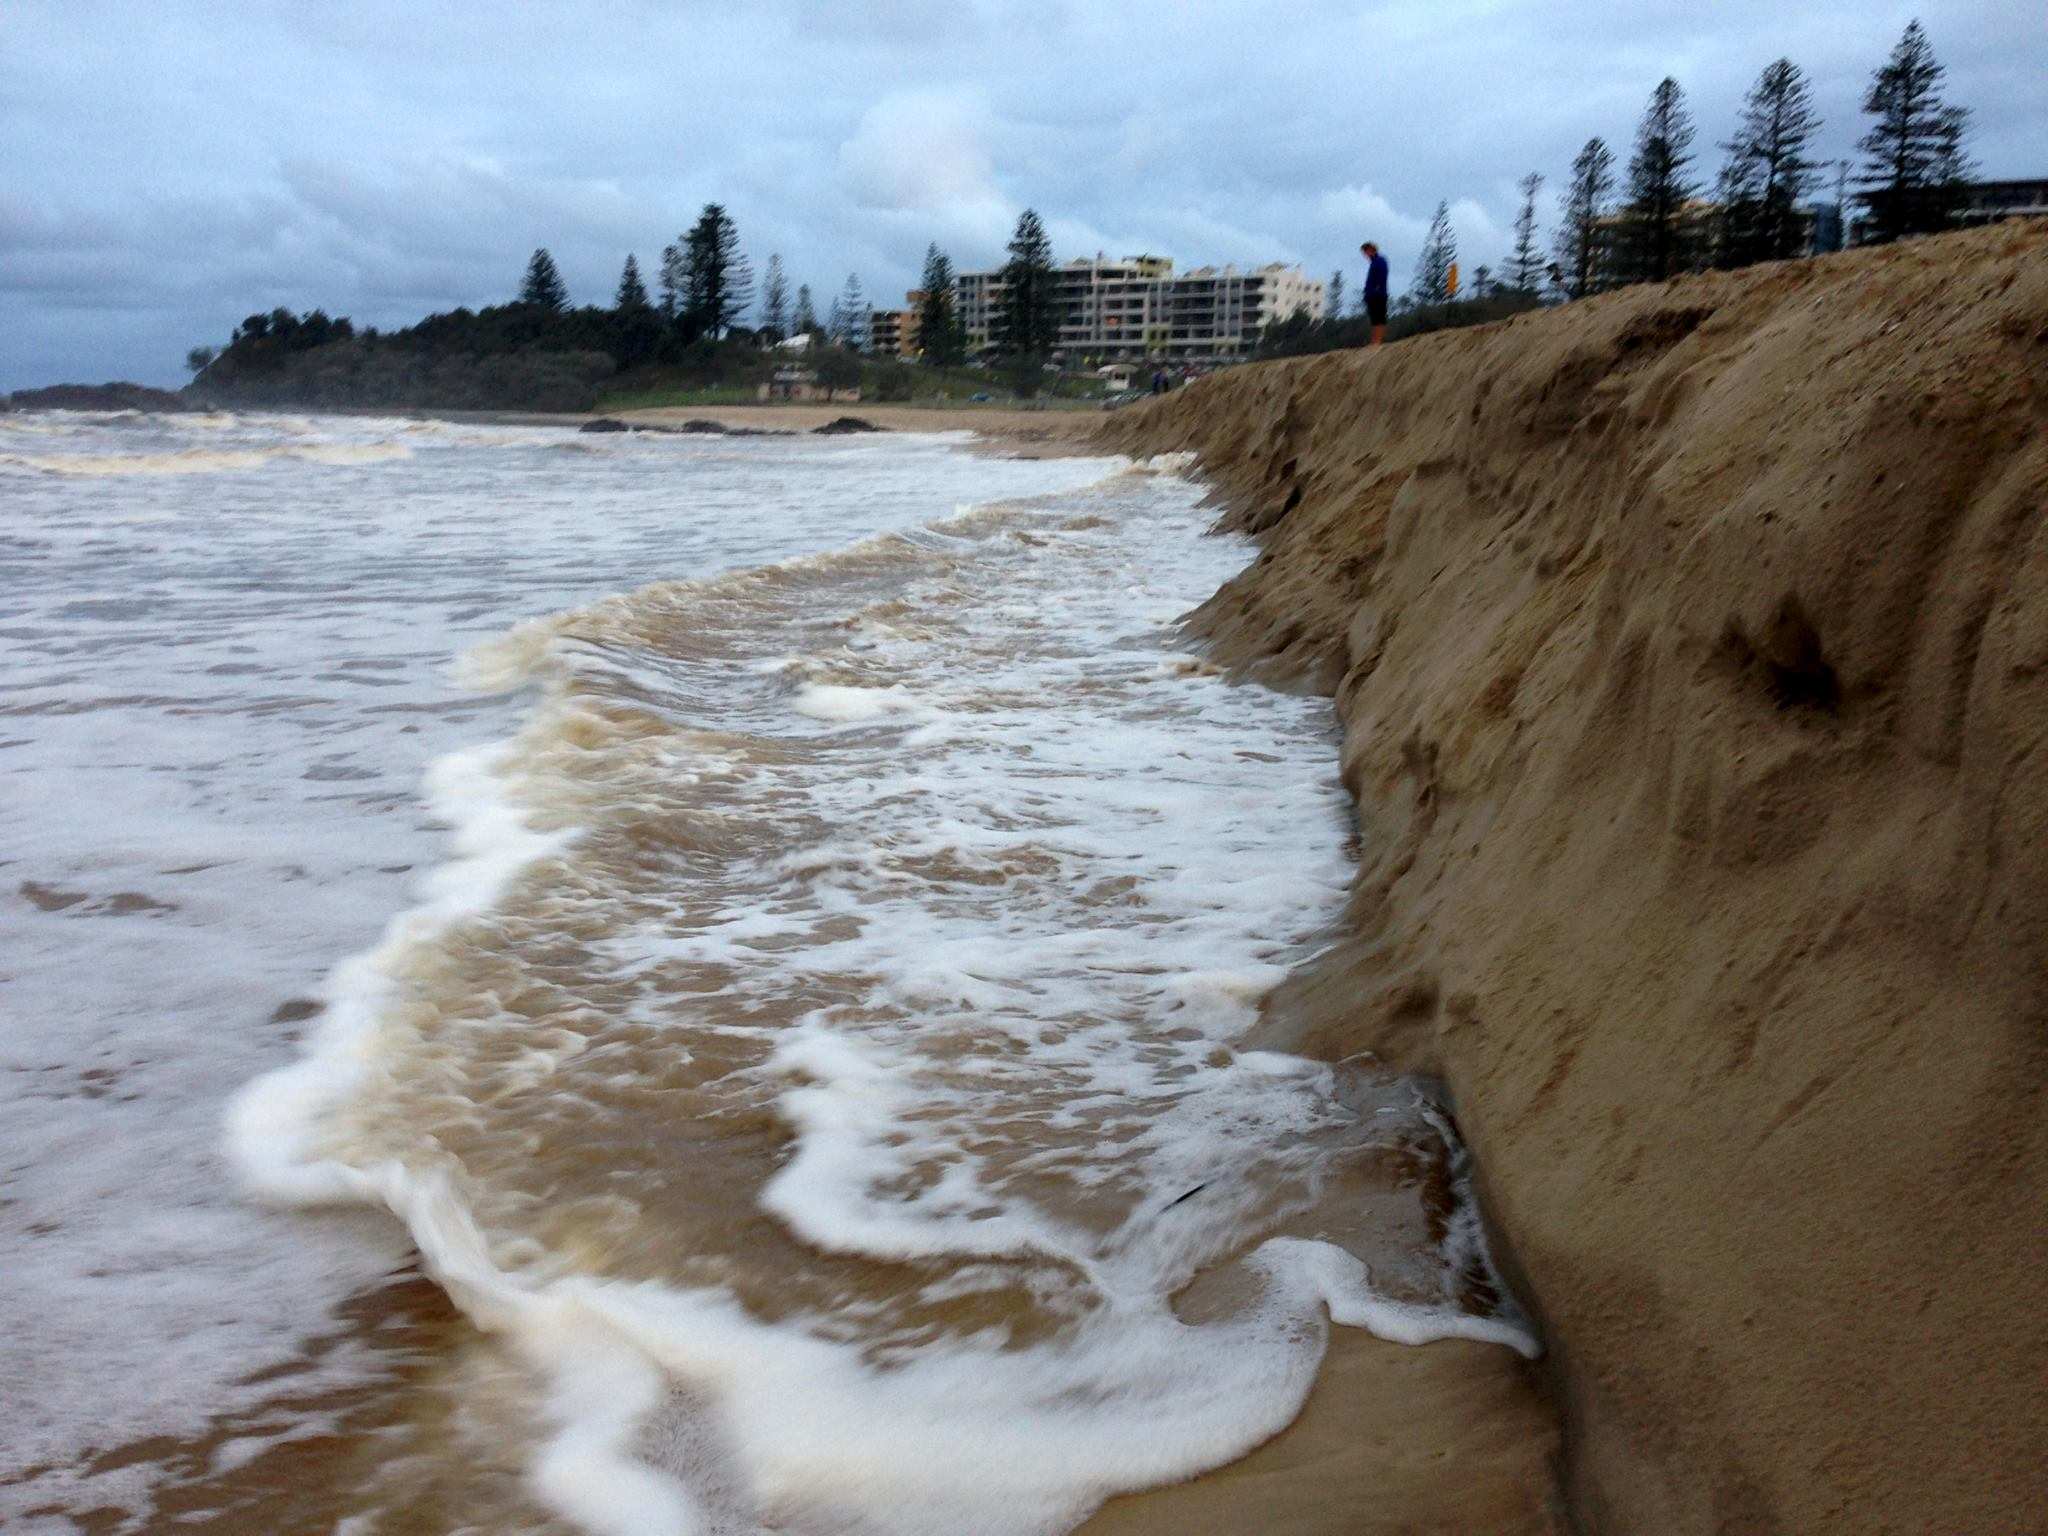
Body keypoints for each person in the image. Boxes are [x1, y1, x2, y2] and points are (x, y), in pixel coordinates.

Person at [1360, 240, 1390, 347]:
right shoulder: (1374, 262)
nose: (1365, 255)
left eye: (1365, 252)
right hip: (1372, 295)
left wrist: (1377, 289)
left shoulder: (1380, 261)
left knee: (1379, 318)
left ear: (1371, 250)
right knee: (1374, 319)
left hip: (1378, 294)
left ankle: (1378, 341)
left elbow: (1382, 277)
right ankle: (1375, 341)